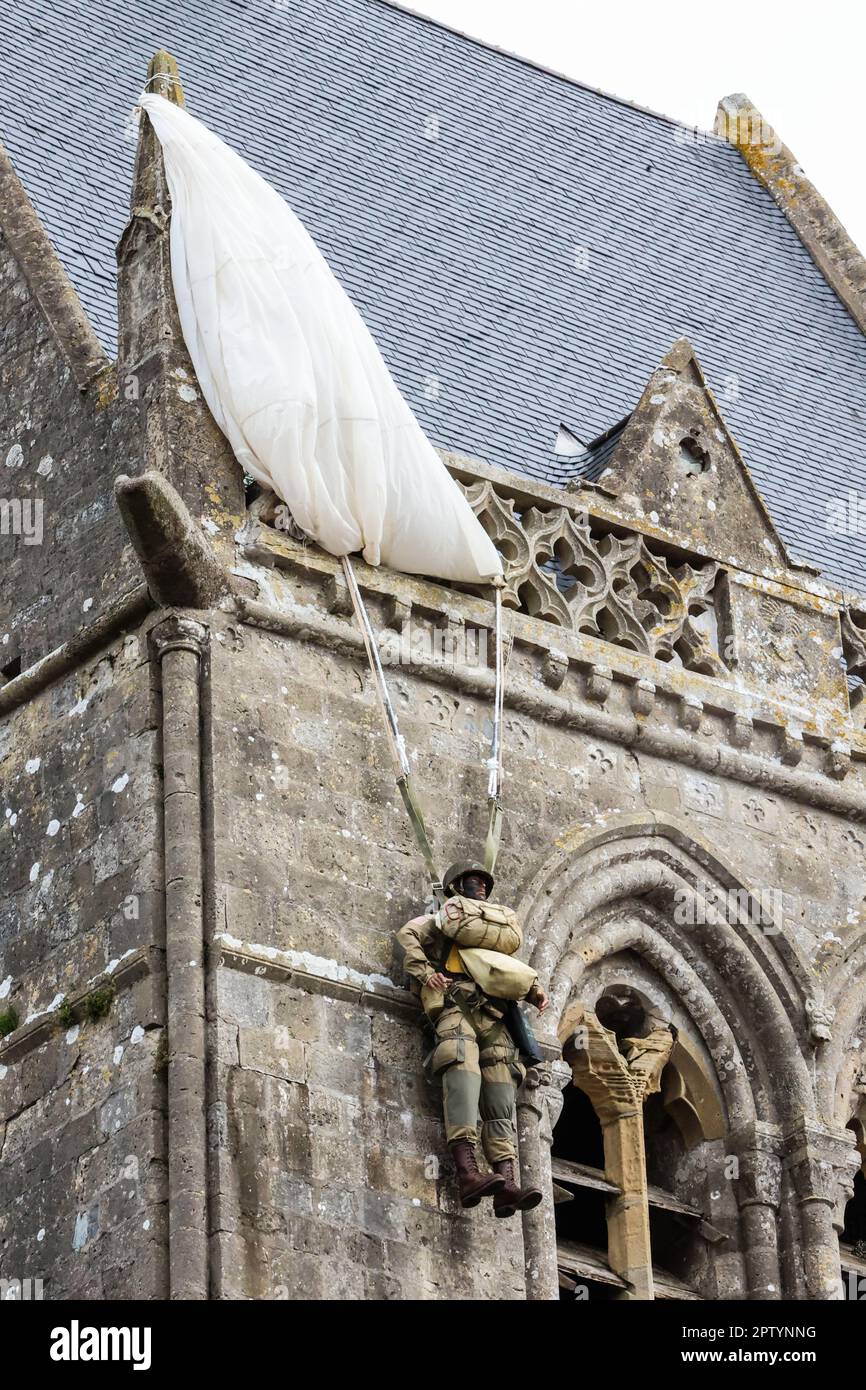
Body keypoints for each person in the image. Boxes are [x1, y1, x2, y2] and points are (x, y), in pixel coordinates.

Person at [396, 862, 548, 1216]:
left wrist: (535, 991)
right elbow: (407, 936)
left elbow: (506, 969)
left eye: (484, 883)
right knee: (463, 1072)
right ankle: (468, 1173)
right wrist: (426, 972)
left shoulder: (490, 931)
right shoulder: (441, 920)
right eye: (473, 882)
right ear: (456, 887)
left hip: (495, 1016)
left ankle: (506, 1179)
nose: (480, 887)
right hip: (456, 1006)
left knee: (501, 1089)